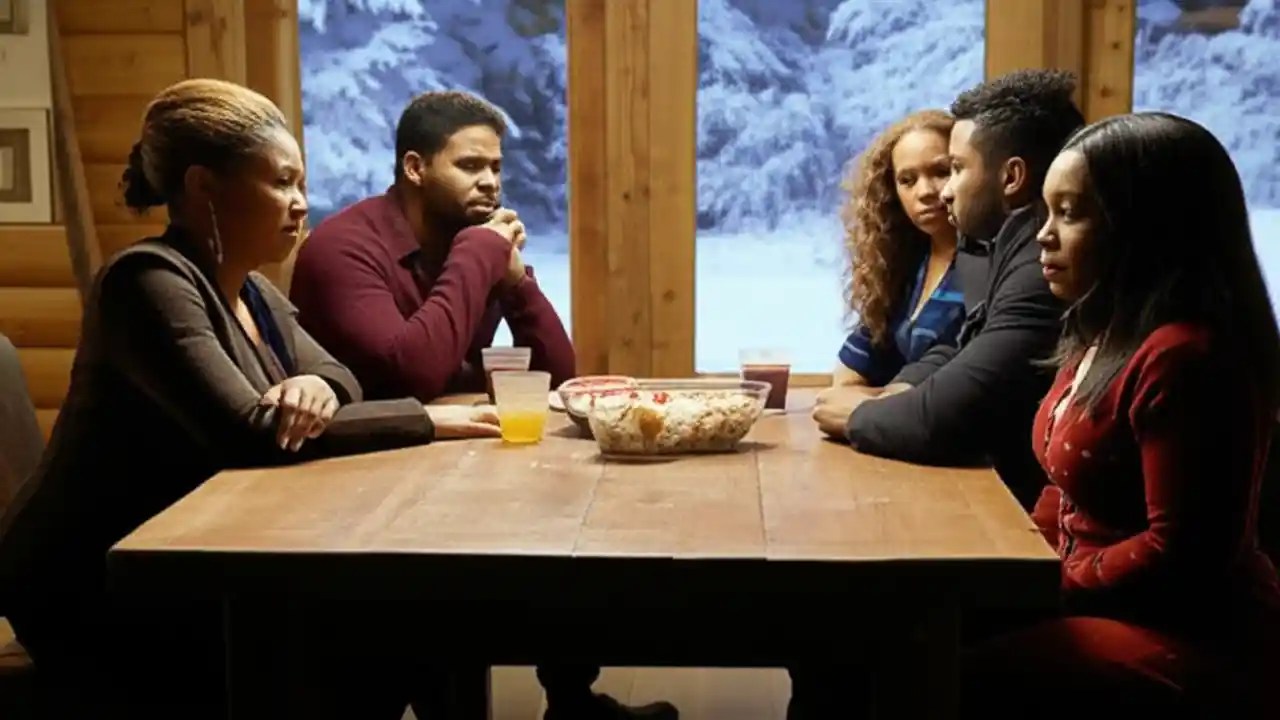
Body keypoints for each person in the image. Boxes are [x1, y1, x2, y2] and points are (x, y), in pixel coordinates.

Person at [0, 79, 501, 719]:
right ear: (204, 187)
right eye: (281, 183)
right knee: (393, 634)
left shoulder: (255, 294)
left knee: (420, 618)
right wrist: (426, 421)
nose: (302, 204)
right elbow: (251, 432)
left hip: (187, 564)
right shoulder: (147, 281)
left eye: (300, 184)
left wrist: (319, 384)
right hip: (96, 586)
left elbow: (340, 375)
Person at [962, 112, 1280, 718]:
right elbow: (1064, 487)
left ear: (1147, 226)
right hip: (1104, 600)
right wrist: (1022, 562)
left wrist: (1044, 584)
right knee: (888, 646)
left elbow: (1181, 553)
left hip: (1190, 634)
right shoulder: (1104, 332)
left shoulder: (1186, 356)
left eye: (1071, 213)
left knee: (935, 674)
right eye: (1045, 213)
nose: (1043, 236)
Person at [813, 69, 1083, 510]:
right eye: (908, 180)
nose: (943, 193)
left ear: (1012, 177)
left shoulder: (1040, 262)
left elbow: (947, 418)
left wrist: (861, 414)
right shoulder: (1001, 245)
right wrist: (901, 390)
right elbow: (962, 346)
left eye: (952, 169)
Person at [290, 90, 575, 404]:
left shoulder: (471, 238)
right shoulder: (341, 248)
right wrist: (478, 252)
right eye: (470, 166)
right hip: (351, 450)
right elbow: (410, 380)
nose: (490, 182)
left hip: (443, 442)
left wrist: (518, 283)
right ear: (414, 168)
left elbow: (557, 381)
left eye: (495, 167)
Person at [833, 109, 966, 389]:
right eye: (907, 180)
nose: (925, 191)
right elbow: (849, 372)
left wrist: (873, 406)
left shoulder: (987, 264)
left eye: (941, 172)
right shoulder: (907, 265)